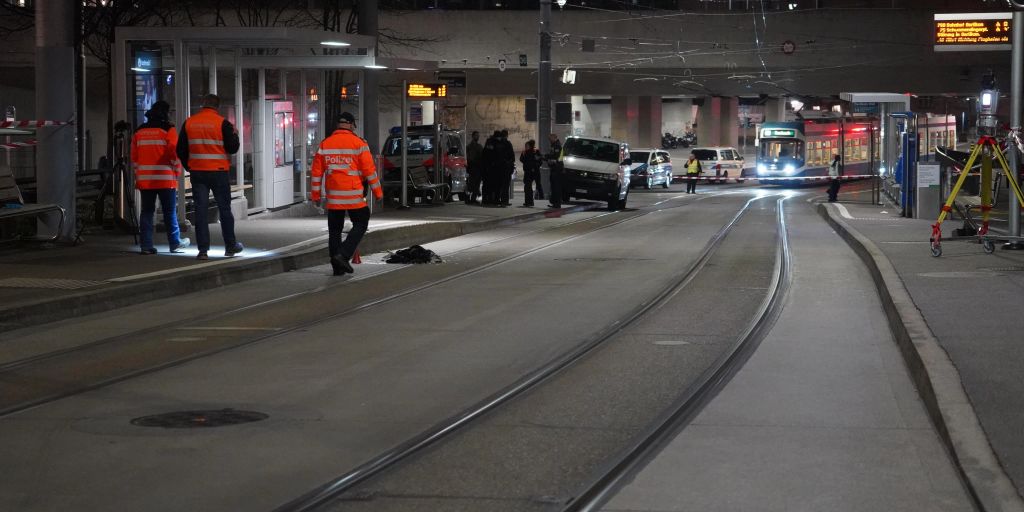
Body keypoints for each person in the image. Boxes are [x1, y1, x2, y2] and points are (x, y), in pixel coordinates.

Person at [310, 112, 383, 276]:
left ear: (338, 125)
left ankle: (337, 268)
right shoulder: (359, 144)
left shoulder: (325, 144)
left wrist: (315, 196)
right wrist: (378, 192)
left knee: (335, 230)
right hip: (353, 195)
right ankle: (343, 255)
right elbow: (369, 171)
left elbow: (316, 173)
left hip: (334, 197)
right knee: (361, 221)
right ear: (351, 125)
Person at [177, 94, 242, 260]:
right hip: (219, 172)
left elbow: (180, 149)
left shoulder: (189, 123)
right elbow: (233, 148)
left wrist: (189, 166)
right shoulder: (223, 123)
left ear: (203, 104)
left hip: (198, 172)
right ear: (217, 107)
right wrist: (235, 135)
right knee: (224, 209)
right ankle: (230, 246)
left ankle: (203, 251)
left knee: (200, 211)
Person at [131, 100, 189, 255]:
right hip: (165, 178)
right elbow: (173, 151)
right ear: (165, 113)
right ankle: (175, 243)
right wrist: (175, 168)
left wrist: (139, 173)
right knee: (169, 211)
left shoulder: (139, 131)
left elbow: (134, 157)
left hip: (145, 179)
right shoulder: (168, 129)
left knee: (147, 211)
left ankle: (146, 246)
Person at [519, 139, 542, 207]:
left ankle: (530, 201)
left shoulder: (533, 151)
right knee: (528, 187)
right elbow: (522, 159)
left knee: (529, 187)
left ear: (530, 146)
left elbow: (522, 160)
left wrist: (535, 166)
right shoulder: (528, 152)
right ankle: (529, 202)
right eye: (525, 146)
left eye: (527, 146)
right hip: (530, 171)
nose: (526, 147)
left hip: (531, 172)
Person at [481, 130, 500, 205]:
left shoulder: (489, 143)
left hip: (486, 168)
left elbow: (484, 155)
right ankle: (491, 199)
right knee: (492, 185)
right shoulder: (495, 143)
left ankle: (486, 199)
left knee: (486, 184)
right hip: (492, 168)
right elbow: (495, 155)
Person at [497, 129, 516, 206]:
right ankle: (505, 201)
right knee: (506, 185)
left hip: (499, 167)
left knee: (500, 185)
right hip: (506, 167)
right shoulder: (508, 143)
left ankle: (499, 200)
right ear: (507, 135)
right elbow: (512, 156)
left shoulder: (497, 144)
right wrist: (510, 163)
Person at [465, 131, 483, 204]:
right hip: (474, 167)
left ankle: (471, 198)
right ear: (473, 136)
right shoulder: (472, 147)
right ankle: (470, 198)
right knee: (473, 184)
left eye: (478, 135)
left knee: (475, 184)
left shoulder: (476, 146)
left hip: (475, 167)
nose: (477, 137)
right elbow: (470, 158)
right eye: (476, 135)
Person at [546, 133, 564, 208]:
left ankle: (557, 203)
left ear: (554, 138)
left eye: (550, 139)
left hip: (557, 169)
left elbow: (555, 156)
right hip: (554, 168)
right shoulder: (554, 145)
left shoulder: (557, 146)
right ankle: (554, 203)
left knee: (556, 187)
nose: (549, 140)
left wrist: (547, 157)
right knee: (554, 186)